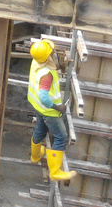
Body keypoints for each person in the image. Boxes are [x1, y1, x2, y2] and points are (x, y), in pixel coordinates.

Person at [27, 38, 77, 182]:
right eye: (51, 51)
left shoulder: (36, 61)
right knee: (61, 137)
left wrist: (60, 65)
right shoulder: (47, 75)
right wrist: (58, 107)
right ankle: (55, 171)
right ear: (48, 56)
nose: (53, 51)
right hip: (50, 111)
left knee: (40, 130)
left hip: (38, 107)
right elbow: (44, 97)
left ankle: (35, 156)